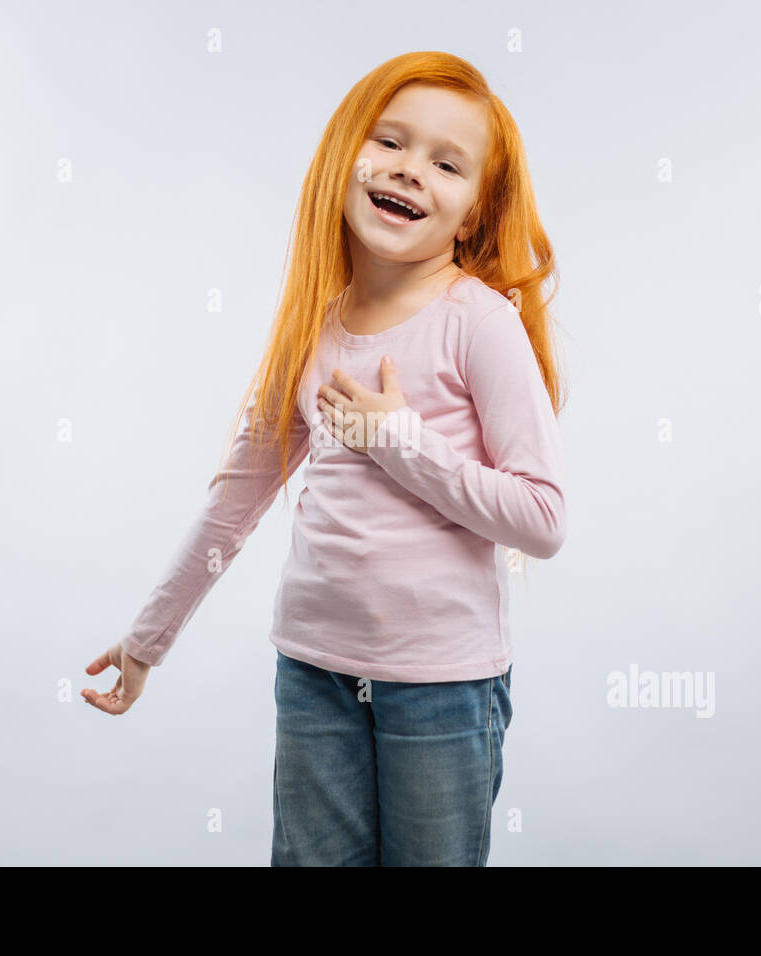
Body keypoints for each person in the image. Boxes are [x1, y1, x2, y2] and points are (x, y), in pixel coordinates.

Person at [83, 50, 568, 866]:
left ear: (474, 213)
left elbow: (543, 519)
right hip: (313, 673)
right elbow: (234, 504)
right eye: (391, 142)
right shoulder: (316, 323)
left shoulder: (479, 322)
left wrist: (397, 441)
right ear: (346, 154)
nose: (411, 171)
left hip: (443, 688)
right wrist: (146, 642)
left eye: (447, 163)